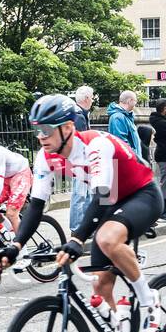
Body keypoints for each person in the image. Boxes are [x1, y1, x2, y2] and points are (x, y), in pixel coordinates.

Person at [0, 95, 165, 332]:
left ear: (68, 128)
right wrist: (15, 246)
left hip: (141, 193)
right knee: (101, 289)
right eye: (38, 130)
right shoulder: (45, 157)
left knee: (108, 239)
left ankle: (149, 301)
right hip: (111, 203)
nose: (41, 137)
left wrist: (75, 240)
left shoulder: (95, 145)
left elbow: (100, 198)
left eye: (47, 130)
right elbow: (36, 206)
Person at [67, 87, 95, 232]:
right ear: (86, 99)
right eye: (91, 97)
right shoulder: (78, 116)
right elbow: (80, 141)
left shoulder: (80, 114)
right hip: (80, 161)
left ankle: (84, 226)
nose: (92, 100)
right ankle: (76, 228)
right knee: (80, 195)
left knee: (87, 195)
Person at [106, 90, 143, 162]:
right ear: (130, 101)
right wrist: (134, 158)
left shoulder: (125, 116)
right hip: (126, 162)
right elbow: (122, 143)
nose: (136, 104)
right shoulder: (118, 117)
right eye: (135, 101)